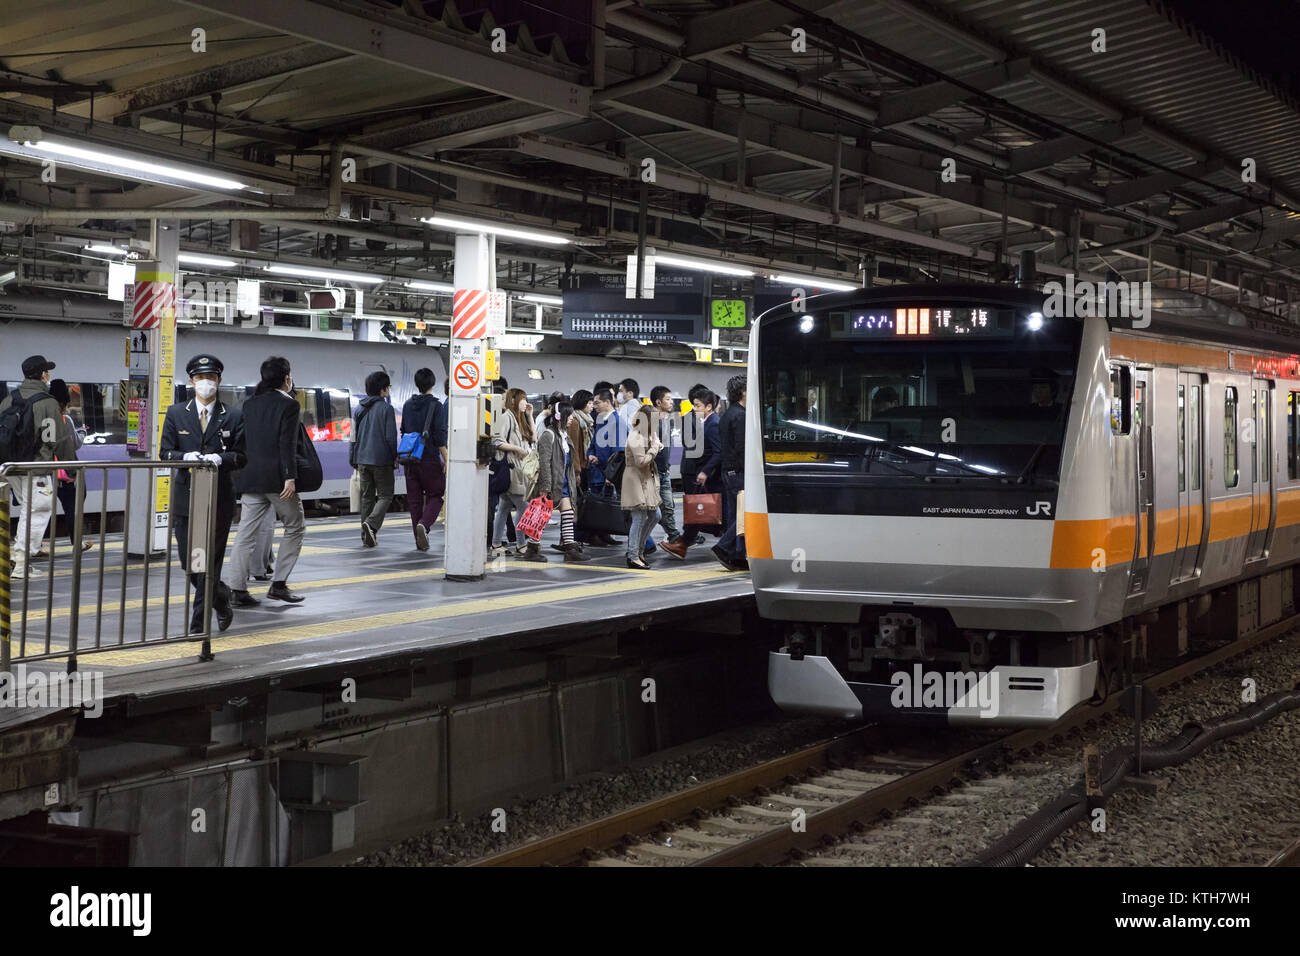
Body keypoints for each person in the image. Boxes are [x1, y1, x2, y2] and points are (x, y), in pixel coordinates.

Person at [159, 354, 245, 632]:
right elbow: (165, 453)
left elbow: (242, 456)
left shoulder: (233, 415)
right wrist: (185, 457)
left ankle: (198, 627)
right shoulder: (175, 413)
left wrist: (223, 458)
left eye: (210, 377)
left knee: (210, 562)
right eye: (199, 378)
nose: (205, 383)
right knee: (192, 563)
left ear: (219, 381)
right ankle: (220, 598)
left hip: (219, 497)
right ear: (191, 381)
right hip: (187, 498)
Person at [227, 356, 307, 605]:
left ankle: (237, 589)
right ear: (287, 378)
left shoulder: (249, 404)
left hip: (250, 478)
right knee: (295, 526)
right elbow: (287, 444)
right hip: (277, 481)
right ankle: (279, 584)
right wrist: (289, 477)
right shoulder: (289, 405)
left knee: (245, 533)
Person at [1, 355, 75, 577]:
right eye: (47, 372)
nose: (49, 375)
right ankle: (21, 562)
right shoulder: (47, 402)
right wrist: (71, 468)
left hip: (11, 467)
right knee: (40, 509)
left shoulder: (8, 399)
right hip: (36, 467)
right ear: (43, 375)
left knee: (28, 510)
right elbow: (57, 440)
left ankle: (19, 560)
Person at [661, 389, 722, 560]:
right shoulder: (707, 422)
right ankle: (682, 544)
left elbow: (718, 452)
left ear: (709, 407)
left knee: (706, 511)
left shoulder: (714, 423)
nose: (694, 409)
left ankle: (684, 544)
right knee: (697, 510)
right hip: (705, 476)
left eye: (698, 406)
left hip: (711, 477)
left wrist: (705, 471)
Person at [43, 379, 93, 555]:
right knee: (72, 508)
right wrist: (82, 432)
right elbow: (74, 444)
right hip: (64, 472)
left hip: (45, 471)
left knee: (43, 508)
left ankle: (38, 543)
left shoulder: (44, 416)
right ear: (65, 400)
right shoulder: (65, 419)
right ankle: (76, 543)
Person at [536, 401, 589, 563]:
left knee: (567, 514)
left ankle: (570, 549)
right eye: (569, 415)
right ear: (559, 416)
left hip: (564, 482)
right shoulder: (548, 435)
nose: (572, 418)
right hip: (552, 482)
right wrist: (545, 486)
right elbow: (544, 462)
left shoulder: (563, 435)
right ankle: (532, 548)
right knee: (541, 518)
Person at [401, 367, 447, 552]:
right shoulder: (436, 406)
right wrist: (446, 459)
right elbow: (439, 436)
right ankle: (424, 525)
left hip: (410, 458)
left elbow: (403, 430)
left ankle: (418, 538)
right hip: (429, 459)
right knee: (436, 495)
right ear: (433, 383)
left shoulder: (406, 405)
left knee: (414, 500)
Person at [352, 370, 398, 548]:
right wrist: (394, 457)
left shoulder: (358, 409)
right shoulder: (387, 409)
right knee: (386, 495)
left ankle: (366, 536)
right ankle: (371, 525)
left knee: (367, 498)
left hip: (362, 459)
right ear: (383, 389)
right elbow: (390, 438)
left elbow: (353, 437)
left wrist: (352, 458)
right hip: (381, 461)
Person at [491, 387, 535, 557]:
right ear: (514, 400)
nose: (526, 402)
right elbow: (497, 442)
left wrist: (530, 416)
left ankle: (496, 544)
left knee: (503, 509)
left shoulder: (519, 418)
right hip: (511, 470)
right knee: (524, 506)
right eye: (523, 399)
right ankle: (521, 544)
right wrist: (517, 449)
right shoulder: (506, 417)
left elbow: (533, 438)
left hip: (518, 470)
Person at [621, 406, 663, 570]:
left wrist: (654, 444)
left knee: (655, 515)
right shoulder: (636, 436)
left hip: (645, 479)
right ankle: (633, 556)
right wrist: (655, 448)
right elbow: (640, 461)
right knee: (638, 518)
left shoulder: (645, 434)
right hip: (635, 479)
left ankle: (639, 550)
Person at [713, 374, 748, 572]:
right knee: (746, 515)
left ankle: (736, 556)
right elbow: (741, 448)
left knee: (736, 514)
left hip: (728, 471)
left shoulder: (727, 414)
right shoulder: (740, 415)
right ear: (743, 392)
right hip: (739, 472)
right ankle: (724, 547)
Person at [564, 389, 596, 549]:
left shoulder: (585, 420)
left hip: (584, 466)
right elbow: (574, 448)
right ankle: (573, 537)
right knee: (576, 503)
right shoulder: (576, 422)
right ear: (582, 403)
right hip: (579, 468)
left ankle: (577, 536)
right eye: (589, 403)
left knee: (579, 503)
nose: (592, 406)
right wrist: (576, 472)